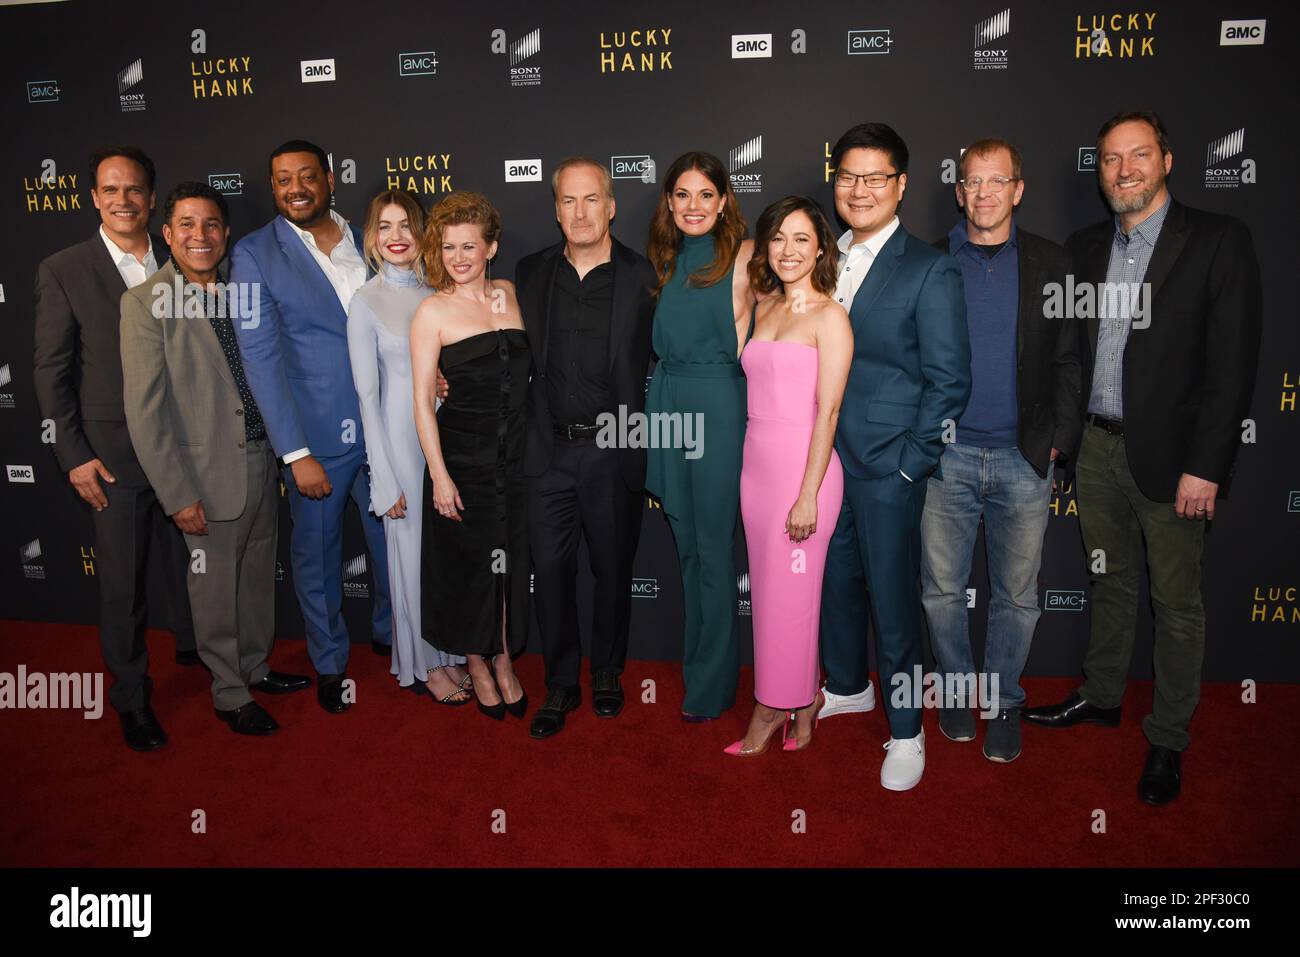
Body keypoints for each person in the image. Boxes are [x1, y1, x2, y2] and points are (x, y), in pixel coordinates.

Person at [1024, 111, 1263, 805]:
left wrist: (1209, 464)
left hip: (1175, 458)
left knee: (1177, 601)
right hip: (1095, 450)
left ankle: (1168, 737)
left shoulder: (1218, 240)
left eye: (1137, 155)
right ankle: (1102, 696)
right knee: (1111, 582)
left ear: (1167, 159)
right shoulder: (1085, 244)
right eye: (1109, 159)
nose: (1123, 169)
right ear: (1097, 170)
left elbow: (1232, 365)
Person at [120, 182, 309, 735]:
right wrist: (176, 494)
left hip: (260, 462)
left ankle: (255, 667)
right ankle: (229, 693)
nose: (199, 236)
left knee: (253, 580)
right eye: (186, 225)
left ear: (225, 234)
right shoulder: (145, 302)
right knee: (214, 592)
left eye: (210, 226)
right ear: (167, 233)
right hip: (202, 476)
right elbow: (146, 412)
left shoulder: (240, 290)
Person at [817, 123, 971, 791]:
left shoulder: (930, 267)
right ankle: (848, 686)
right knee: (835, 584)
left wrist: (912, 464)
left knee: (893, 600)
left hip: (888, 467)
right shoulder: (822, 255)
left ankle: (906, 728)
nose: (859, 189)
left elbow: (950, 383)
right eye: (848, 176)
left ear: (902, 185)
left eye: (875, 177)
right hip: (822, 462)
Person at [921, 138, 1084, 763]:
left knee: (1018, 596)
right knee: (941, 589)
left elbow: (1071, 361)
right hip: (947, 459)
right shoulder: (933, 262)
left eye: (997, 182)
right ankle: (959, 692)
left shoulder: (1053, 263)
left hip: (1024, 459)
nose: (983, 194)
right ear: (958, 192)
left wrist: (1057, 447)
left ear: (1018, 189)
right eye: (972, 182)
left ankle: (1005, 699)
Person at [32, 145, 197, 752]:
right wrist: (72, 454)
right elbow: (52, 372)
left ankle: (196, 652)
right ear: (95, 198)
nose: (123, 200)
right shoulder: (64, 268)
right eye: (110, 190)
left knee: (190, 567)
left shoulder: (183, 258)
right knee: (123, 584)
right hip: (112, 453)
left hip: (185, 445)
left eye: (134, 190)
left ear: (151, 200)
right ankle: (132, 698)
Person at [230, 139, 392, 714]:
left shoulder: (369, 238)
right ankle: (329, 662)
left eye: (305, 176)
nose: (294, 188)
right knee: (317, 554)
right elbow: (260, 357)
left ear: (330, 178)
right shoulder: (252, 255)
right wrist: (294, 452)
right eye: (281, 180)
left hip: (386, 428)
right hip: (317, 439)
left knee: (392, 543)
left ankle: (394, 637)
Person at [515, 157, 658, 739]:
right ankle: (561, 682)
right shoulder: (527, 274)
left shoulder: (643, 276)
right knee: (549, 571)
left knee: (612, 567)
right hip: (546, 451)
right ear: (555, 210)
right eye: (568, 201)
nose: (580, 212)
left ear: (611, 205)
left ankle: (607, 672)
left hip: (612, 446)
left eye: (591, 199)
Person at [726, 196, 851, 756]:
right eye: (778, 238)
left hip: (807, 476)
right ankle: (806, 701)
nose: (789, 250)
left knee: (794, 600)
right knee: (777, 599)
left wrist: (806, 497)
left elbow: (828, 412)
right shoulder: (763, 306)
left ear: (822, 247)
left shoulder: (831, 316)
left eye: (802, 239)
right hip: (757, 473)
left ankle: (770, 707)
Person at [347, 190, 470, 705]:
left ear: (423, 235)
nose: (396, 237)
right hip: (398, 446)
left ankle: (452, 651)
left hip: (448, 443)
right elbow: (367, 397)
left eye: (406, 226)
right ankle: (424, 665)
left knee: (444, 558)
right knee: (411, 559)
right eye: (384, 227)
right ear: (373, 237)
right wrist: (384, 477)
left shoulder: (437, 294)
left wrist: (443, 382)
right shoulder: (366, 301)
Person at [644, 152, 755, 722]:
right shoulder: (662, 259)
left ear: (724, 200)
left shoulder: (746, 257)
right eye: (682, 195)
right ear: (669, 202)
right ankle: (698, 666)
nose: (694, 206)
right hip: (668, 403)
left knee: (713, 551)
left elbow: (784, 333)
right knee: (686, 547)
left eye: (705, 194)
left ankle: (712, 687)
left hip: (718, 407)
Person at [411, 191, 529, 722]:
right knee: (471, 569)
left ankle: (505, 657)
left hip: (517, 459)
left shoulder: (507, 294)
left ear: (492, 247)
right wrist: (439, 475)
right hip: (463, 459)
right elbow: (421, 400)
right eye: (449, 246)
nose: (458, 257)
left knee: (507, 565)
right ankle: (478, 663)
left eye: (469, 246)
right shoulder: (432, 311)